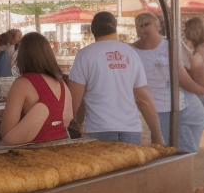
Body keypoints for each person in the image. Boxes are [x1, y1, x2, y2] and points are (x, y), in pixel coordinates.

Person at [68, 11, 164, 144]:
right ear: (115, 28)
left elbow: (74, 100)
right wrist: (157, 135)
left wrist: (74, 126)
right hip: (131, 130)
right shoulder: (131, 53)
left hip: (99, 130)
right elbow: (144, 99)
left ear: (92, 30)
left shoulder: (85, 55)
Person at [132, 12, 204, 154]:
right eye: (139, 26)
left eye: (146, 24)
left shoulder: (172, 44)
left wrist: (202, 89)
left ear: (157, 26)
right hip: (154, 113)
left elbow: (192, 68)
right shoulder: (131, 51)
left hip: (184, 110)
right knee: (162, 156)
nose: (142, 29)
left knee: (183, 156)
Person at [0, 32, 73, 144]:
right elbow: (67, 120)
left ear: (22, 56)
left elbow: (7, 134)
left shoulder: (22, 84)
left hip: (30, 154)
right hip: (61, 151)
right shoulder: (62, 84)